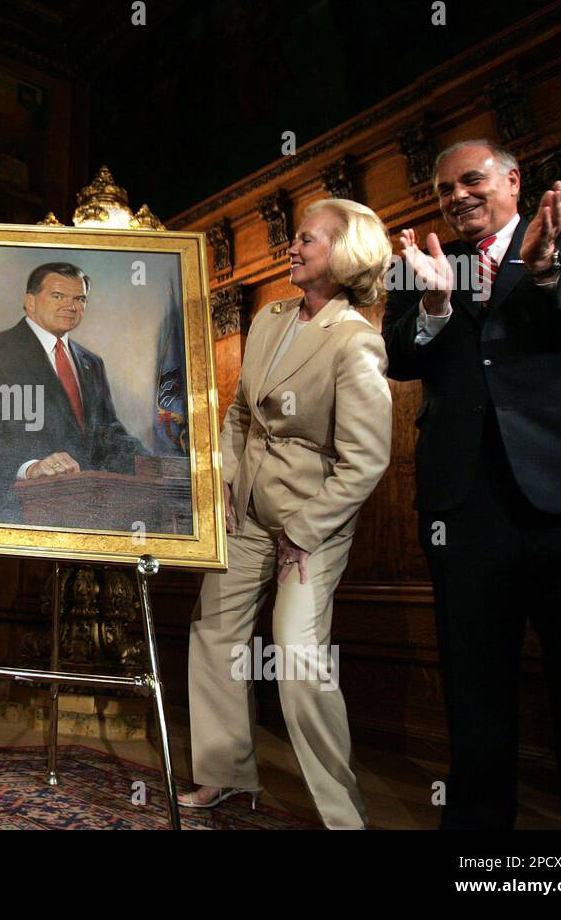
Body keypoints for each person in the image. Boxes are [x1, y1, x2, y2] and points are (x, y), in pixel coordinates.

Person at [383, 139, 561, 829]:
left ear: (513, 179)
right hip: (466, 510)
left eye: (471, 180)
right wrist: (435, 302)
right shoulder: (420, 267)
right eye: (443, 190)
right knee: (475, 694)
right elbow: (399, 357)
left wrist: (553, 269)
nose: (456, 196)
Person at [181, 198, 393, 829]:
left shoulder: (357, 342)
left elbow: (366, 460)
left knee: (297, 655)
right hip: (244, 514)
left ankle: (341, 814)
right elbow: (241, 413)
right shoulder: (271, 317)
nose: (292, 249)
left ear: (344, 255)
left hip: (312, 526)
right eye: (294, 239)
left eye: (306, 240)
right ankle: (225, 778)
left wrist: (302, 533)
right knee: (213, 635)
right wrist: (222, 478)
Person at [0, 262, 149, 524]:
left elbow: (108, 433)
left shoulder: (91, 363)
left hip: (84, 512)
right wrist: (30, 467)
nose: (71, 306)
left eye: (80, 298)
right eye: (58, 296)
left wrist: (155, 463)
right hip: (12, 512)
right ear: (29, 302)